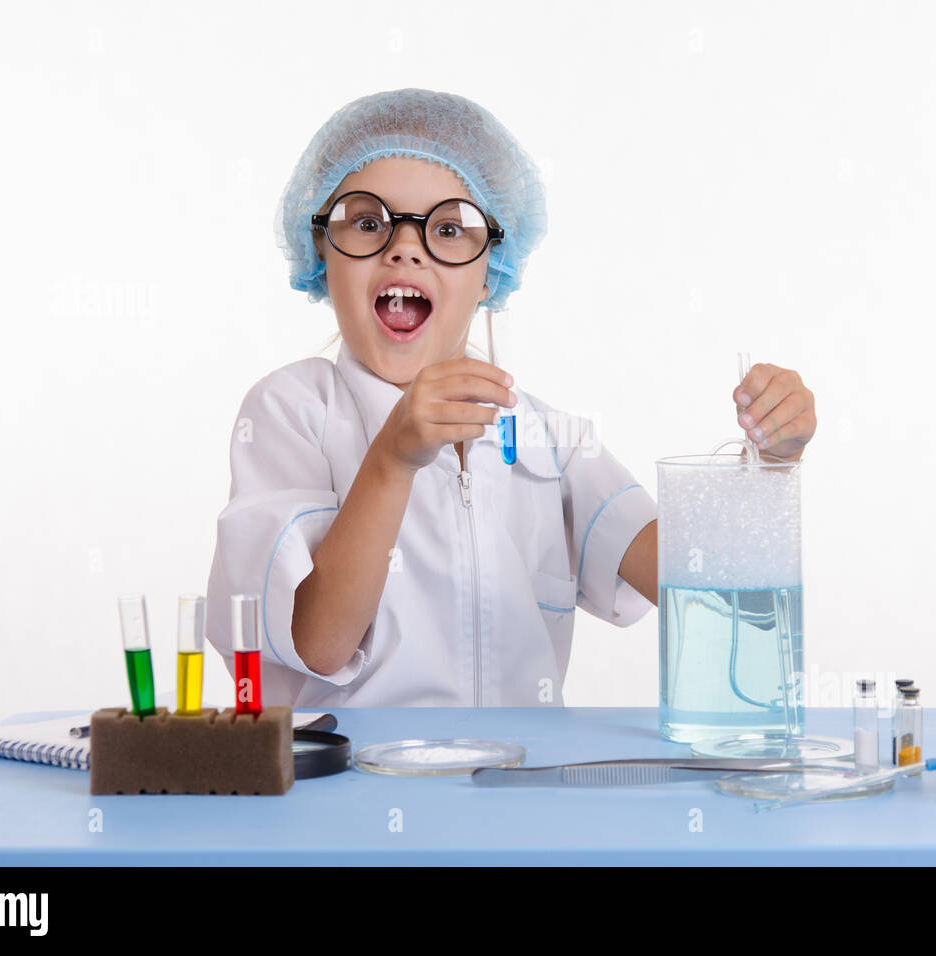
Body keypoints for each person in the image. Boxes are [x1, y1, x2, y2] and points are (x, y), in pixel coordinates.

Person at [204, 88, 816, 707]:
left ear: (492, 268)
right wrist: (391, 459)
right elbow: (317, 645)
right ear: (320, 251)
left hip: (514, 785)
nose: (404, 247)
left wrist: (772, 462)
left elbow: (696, 584)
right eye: (367, 222)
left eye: (448, 228)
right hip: (354, 788)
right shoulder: (292, 412)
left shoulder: (545, 438)